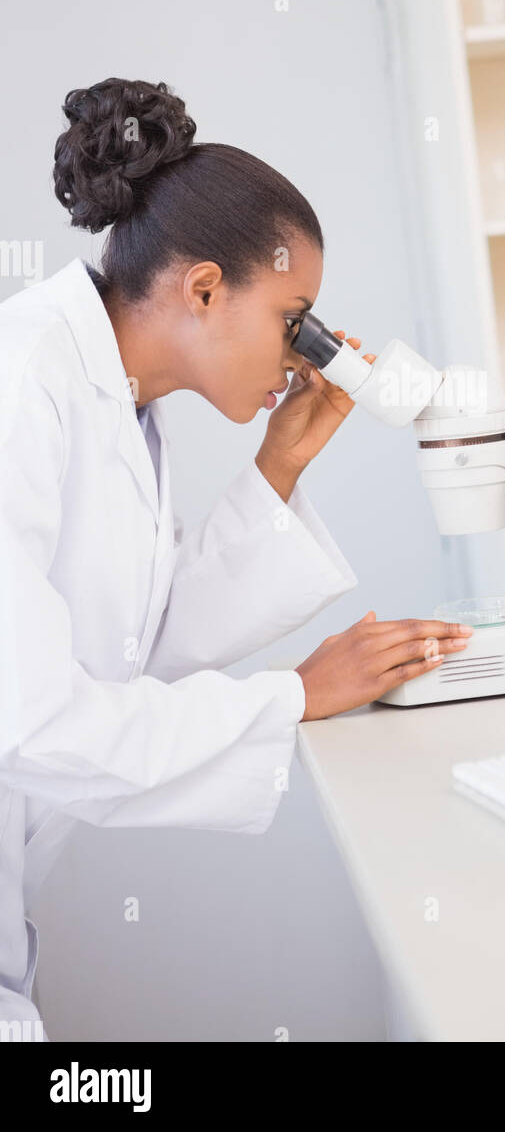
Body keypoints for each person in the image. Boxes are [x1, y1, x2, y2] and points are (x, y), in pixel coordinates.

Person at [0, 77, 475, 1040]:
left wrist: (282, 461)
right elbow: (34, 717)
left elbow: (133, 656)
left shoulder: (124, 405)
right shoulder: (23, 380)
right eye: (294, 316)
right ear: (206, 287)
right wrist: (291, 696)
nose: (302, 352)